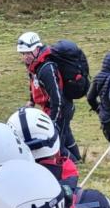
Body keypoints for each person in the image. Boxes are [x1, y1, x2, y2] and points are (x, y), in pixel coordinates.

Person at [16, 30, 81, 161]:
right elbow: (33, 84)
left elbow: (57, 97)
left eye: (29, 52)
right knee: (66, 135)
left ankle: (73, 164)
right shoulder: (34, 66)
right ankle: (79, 160)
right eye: (23, 53)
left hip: (60, 109)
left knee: (57, 145)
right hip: (55, 108)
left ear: (37, 49)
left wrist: (53, 121)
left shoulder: (46, 68)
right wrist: (31, 101)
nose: (26, 56)